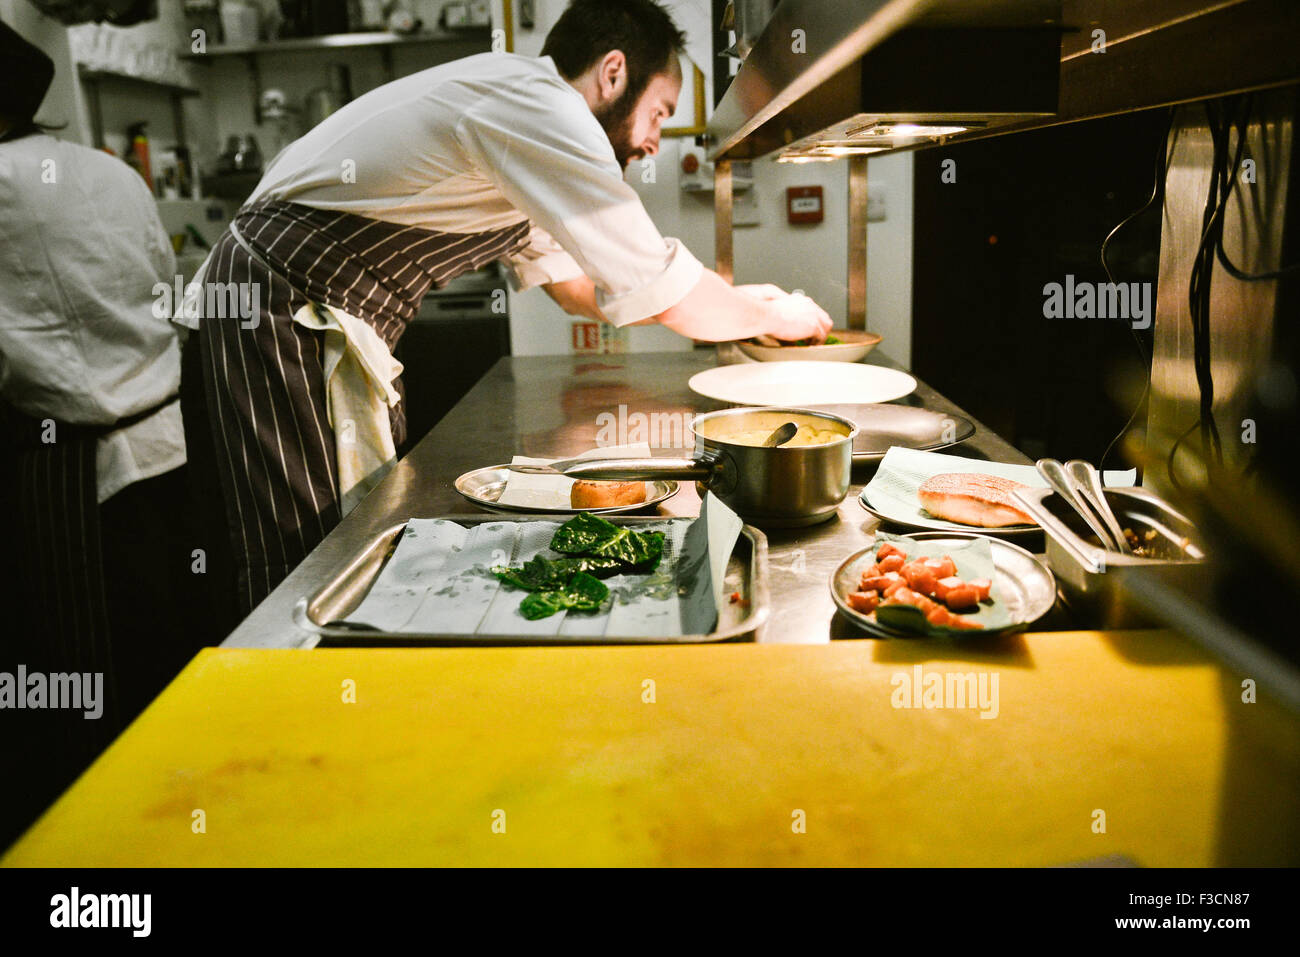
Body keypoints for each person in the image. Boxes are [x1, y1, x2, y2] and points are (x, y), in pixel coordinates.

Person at [178, 0, 832, 617]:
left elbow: (580, 284)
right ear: (613, 73)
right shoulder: (543, 108)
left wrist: (744, 304)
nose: (655, 142)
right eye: (659, 114)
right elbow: (661, 288)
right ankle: (290, 708)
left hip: (317, 308)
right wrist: (775, 317)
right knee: (312, 549)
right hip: (277, 301)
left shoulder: (524, 119)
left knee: (353, 528)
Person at [0, 18, 209, 846]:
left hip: (72, 473)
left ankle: (103, 855)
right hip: (170, 450)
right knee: (172, 655)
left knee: (87, 682)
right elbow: (165, 290)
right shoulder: (109, 171)